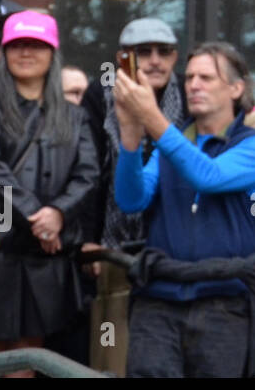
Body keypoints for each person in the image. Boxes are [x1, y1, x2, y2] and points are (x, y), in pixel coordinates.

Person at [112, 41, 255, 378]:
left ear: (236, 88)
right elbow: (131, 200)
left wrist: (151, 117)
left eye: (206, 77)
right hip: (158, 298)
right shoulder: (172, 144)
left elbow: (208, 176)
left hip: (223, 302)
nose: (193, 85)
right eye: (189, 77)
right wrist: (130, 135)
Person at [0, 11, 99, 370]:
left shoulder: (76, 116)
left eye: (36, 45)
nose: (26, 52)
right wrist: (40, 218)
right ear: (2, 52)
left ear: (53, 53)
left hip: (45, 256)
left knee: (29, 357)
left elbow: (89, 173)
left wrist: (59, 213)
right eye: (17, 45)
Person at [81, 17, 188, 252]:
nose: (155, 61)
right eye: (144, 52)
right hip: (112, 232)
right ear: (123, 58)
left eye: (164, 51)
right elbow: (90, 168)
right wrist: (88, 236)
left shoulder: (188, 92)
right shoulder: (101, 93)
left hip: (176, 232)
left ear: (175, 57)